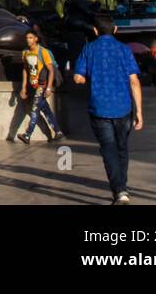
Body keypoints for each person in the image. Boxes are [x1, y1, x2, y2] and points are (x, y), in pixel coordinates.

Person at [73, 13, 143, 204]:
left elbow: (77, 78)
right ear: (115, 30)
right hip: (124, 108)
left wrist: (86, 77)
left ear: (95, 31)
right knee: (122, 148)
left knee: (108, 149)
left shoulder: (89, 49)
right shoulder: (124, 49)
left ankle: (119, 190)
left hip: (99, 108)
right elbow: (134, 81)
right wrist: (139, 112)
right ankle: (123, 188)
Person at [18, 28, 65, 143]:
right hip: (33, 86)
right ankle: (58, 132)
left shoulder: (43, 51)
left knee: (34, 110)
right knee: (46, 110)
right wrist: (23, 87)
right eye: (27, 38)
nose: (28, 40)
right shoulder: (25, 52)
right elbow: (25, 70)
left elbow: (51, 70)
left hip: (41, 85)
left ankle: (27, 135)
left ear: (36, 39)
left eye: (30, 38)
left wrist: (48, 87)